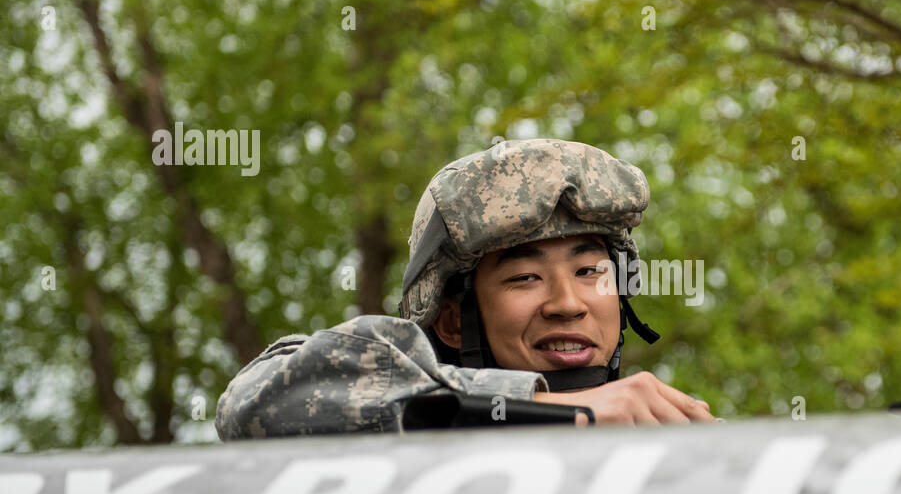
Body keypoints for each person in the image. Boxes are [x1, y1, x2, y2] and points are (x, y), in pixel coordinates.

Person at [215, 139, 716, 438]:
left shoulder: (667, 436)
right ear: (454, 320)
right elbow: (253, 403)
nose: (568, 303)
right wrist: (546, 410)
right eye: (524, 277)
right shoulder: (414, 436)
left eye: (589, 272)